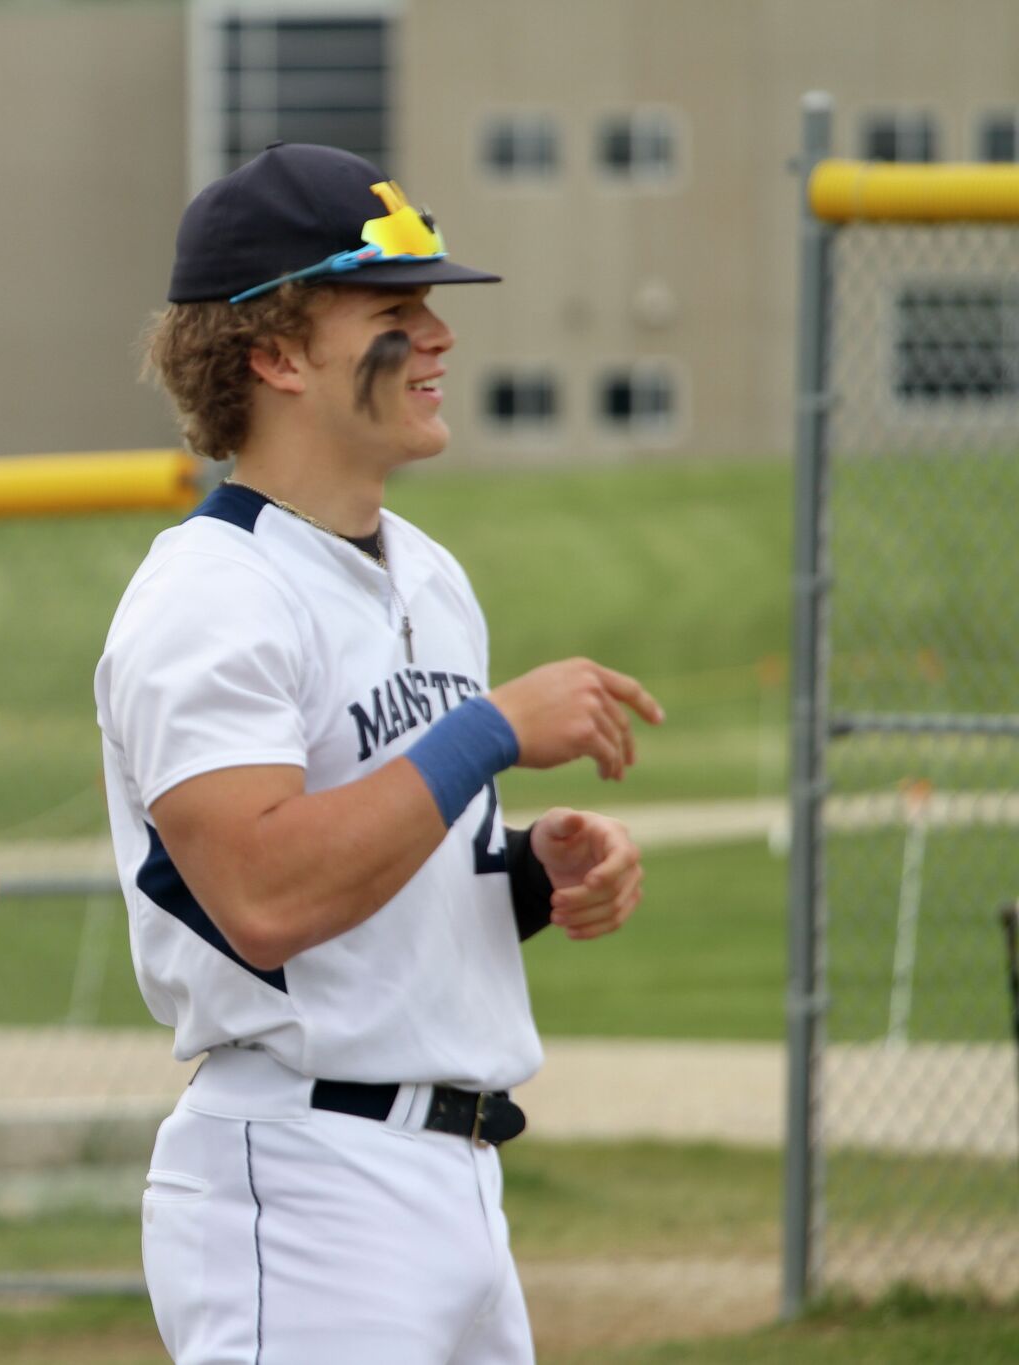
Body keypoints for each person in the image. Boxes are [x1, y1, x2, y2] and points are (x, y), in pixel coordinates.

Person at [94, 143, 665, 1363]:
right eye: (394, 311)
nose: (437, 338)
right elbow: (261, 895)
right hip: (302, 1180)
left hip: (451, 1174)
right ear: (276, 353)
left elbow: (377, 880)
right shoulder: (209, 592)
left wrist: (520, 871)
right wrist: (489, 730)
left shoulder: (428, 576)